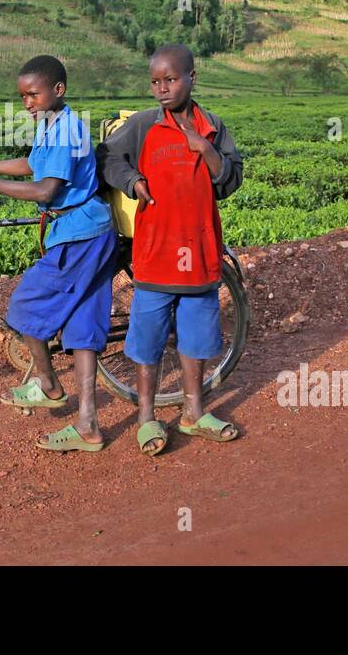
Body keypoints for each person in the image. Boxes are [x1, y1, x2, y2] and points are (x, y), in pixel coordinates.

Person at [0, 55, 118, 453]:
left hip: (80, 236)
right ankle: (89, 426)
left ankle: (47, 384)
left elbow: (47, 192)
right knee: (82, 331)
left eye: (33, 94)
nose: (27, 102)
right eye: (22, 96)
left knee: (25, 307)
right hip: (87, 232)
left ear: (57, 90)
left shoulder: (66, 131)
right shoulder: (54, 123)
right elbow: (33, 164)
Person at [97, 44, 244, 456]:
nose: (161, 89)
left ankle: (194, 412)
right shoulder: (143, 126)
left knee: (196, 339)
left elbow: (232, 181)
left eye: (171, 80)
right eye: (155, 82)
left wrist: (209, 152)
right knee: (149, 340)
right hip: (155, 254)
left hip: (198, 251)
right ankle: (146, 417)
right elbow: (106, 157)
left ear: (192, 78)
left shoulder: (212, 125)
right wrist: (131, 180)